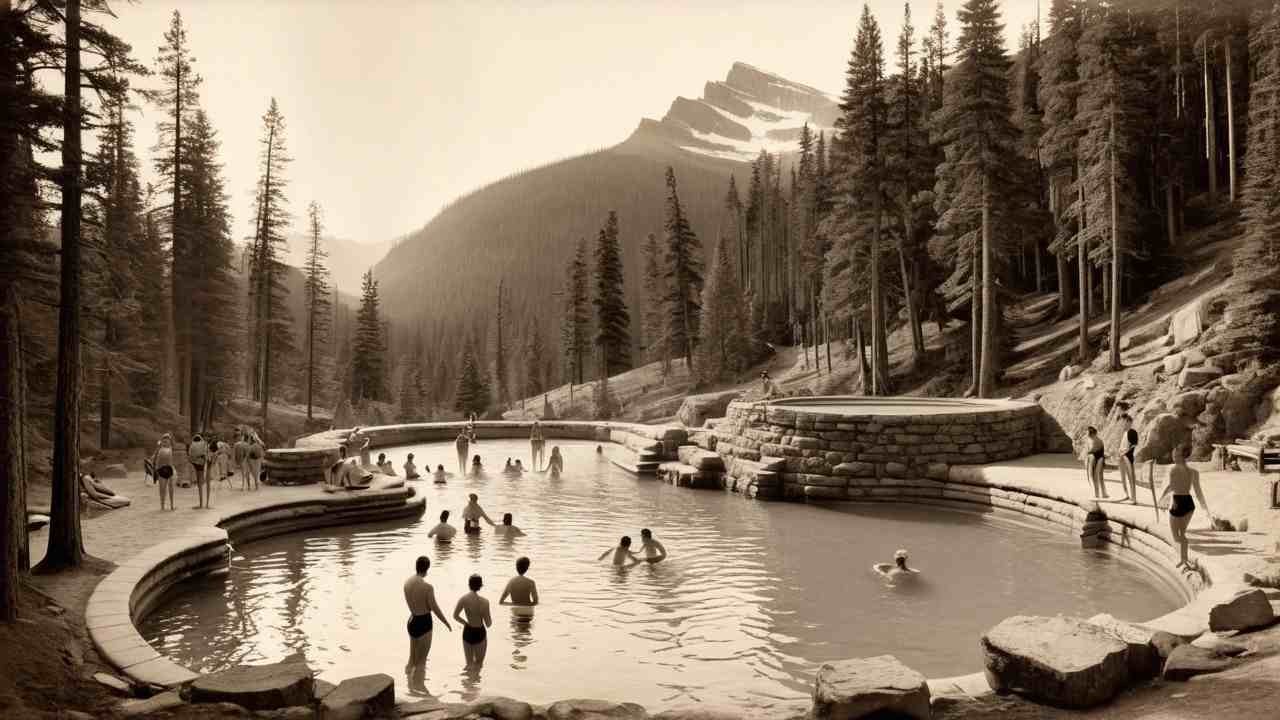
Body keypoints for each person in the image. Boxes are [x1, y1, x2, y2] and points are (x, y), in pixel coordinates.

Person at [1159, 444, 1212, 569]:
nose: (1173, 457)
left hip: (1178, 502)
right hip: (1189, 504)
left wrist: (1161, 499)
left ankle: (1183, 559)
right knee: (1182, 534)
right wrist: (1205, 508)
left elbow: (1171, 486)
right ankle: (1184, 559)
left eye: (1175, 455)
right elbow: (1198, 492)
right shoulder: (1194, 472)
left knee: (1176, 537)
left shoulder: (1173, 469)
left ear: (1180, 456)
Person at [403, 556, 452, 687]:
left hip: (412, 621)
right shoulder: (427, 587)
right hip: (424, 623)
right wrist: (446, 622)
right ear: (427, 568)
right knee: (421, 662)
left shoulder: (407, 582)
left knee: (412, 659)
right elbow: (434, 607)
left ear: (416, 566)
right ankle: (419, 688)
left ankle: (409, 687)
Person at [452, 574, 492, 669]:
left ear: (469, 585)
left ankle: (467, 678)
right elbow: (488, 624)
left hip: (468, 631)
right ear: (480, 586)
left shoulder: (463, 599)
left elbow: (455, 616)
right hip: (479, 632)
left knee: (469, 664)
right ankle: (475, 679)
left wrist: (465, 623)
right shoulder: (485, 602)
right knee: (479, 664)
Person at [153, 434, 177, 511]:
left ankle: (172, 505)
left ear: (169, 441)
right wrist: (158, 447)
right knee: (162, 489)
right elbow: (154, 459)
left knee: (171, 488)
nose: (166, 441)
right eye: (165, 439)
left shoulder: (171, 448)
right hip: (161, 469)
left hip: (169, 469)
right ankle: (162, 506)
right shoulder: (159, 449)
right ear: (163, 441)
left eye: (168, 439)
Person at [1118, 414, 1139, 504]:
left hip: (1127, 456)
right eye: (1123, 422)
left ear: (1129, 422)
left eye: (1124, 421)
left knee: (1131, 477)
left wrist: (1124, 452)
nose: (1123, 423)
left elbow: (1134, 445)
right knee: (1123, 477)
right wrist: (1120, 452)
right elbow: (1123, 445)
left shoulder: (1132, 432)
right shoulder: (1125, 432)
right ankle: (1126, 494)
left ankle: (1133, 498)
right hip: (1122, 456)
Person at [1083, 426, 1108, 499]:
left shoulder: (1093, 440)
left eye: (1088, 433)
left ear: (1092, 433)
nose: (1087, 434)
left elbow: (1091, 451)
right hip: (1099, 458)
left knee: (1094, 477)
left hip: (1096, 458)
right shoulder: (1098, 440)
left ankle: (1097, 494)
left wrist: (1087, 457)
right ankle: (1103, 493)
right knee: (1100, 477)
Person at [188, 434, 210, 508]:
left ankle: (201, 504)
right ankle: (203, 503)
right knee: (200, 484)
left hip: (195, 464)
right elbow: (206, 455)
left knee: (199, 484)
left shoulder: (192, 445)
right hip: (202, 464)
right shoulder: (204, 444)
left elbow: (190, 455)